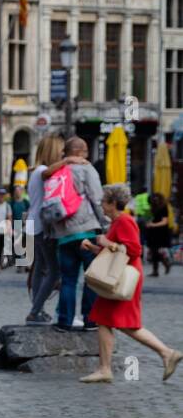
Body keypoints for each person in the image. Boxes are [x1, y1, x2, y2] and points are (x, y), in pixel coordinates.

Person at [77, 183, 182, 383]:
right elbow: (115, 252)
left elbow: (133, 250)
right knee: (105, 319)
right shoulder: (118, 222)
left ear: (114, 203)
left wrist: (104, 242)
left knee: (124, 324)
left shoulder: (125, 221)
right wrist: (92, 246)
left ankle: (166, 353)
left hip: (125, 277)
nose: (101, 205)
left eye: (104, 202)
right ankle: (106, 368)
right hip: (119, 275)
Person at [51, 137, 107, 331]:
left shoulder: (58, 169)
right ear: (83, 152)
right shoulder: (87, 169)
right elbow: (97, 199)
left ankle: (64, 321)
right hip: (86, 230)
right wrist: (106, 226)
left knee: (68, 279)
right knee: (91, 277)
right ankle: (90, 320)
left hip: (63, 232)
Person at [23, 133, 66, 325]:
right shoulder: (41, 170)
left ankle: (37, 309)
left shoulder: (35, 170)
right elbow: (46, 174)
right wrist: (70, 161)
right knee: (54, 271)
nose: (63, 154)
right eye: (61, 151)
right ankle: (35, 311)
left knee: (40, 268)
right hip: (42, 226)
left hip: (34, 224)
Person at [145, 192, 173, 277]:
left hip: (160, 232)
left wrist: (153, 224)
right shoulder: (152, 207)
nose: (154, 200)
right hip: (152, 232)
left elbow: (165, 221)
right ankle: (160, 267)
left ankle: (162, 266)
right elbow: (151, 218)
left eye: (156, 198)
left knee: (155, 251)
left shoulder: (164, 207)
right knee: (154, 251)